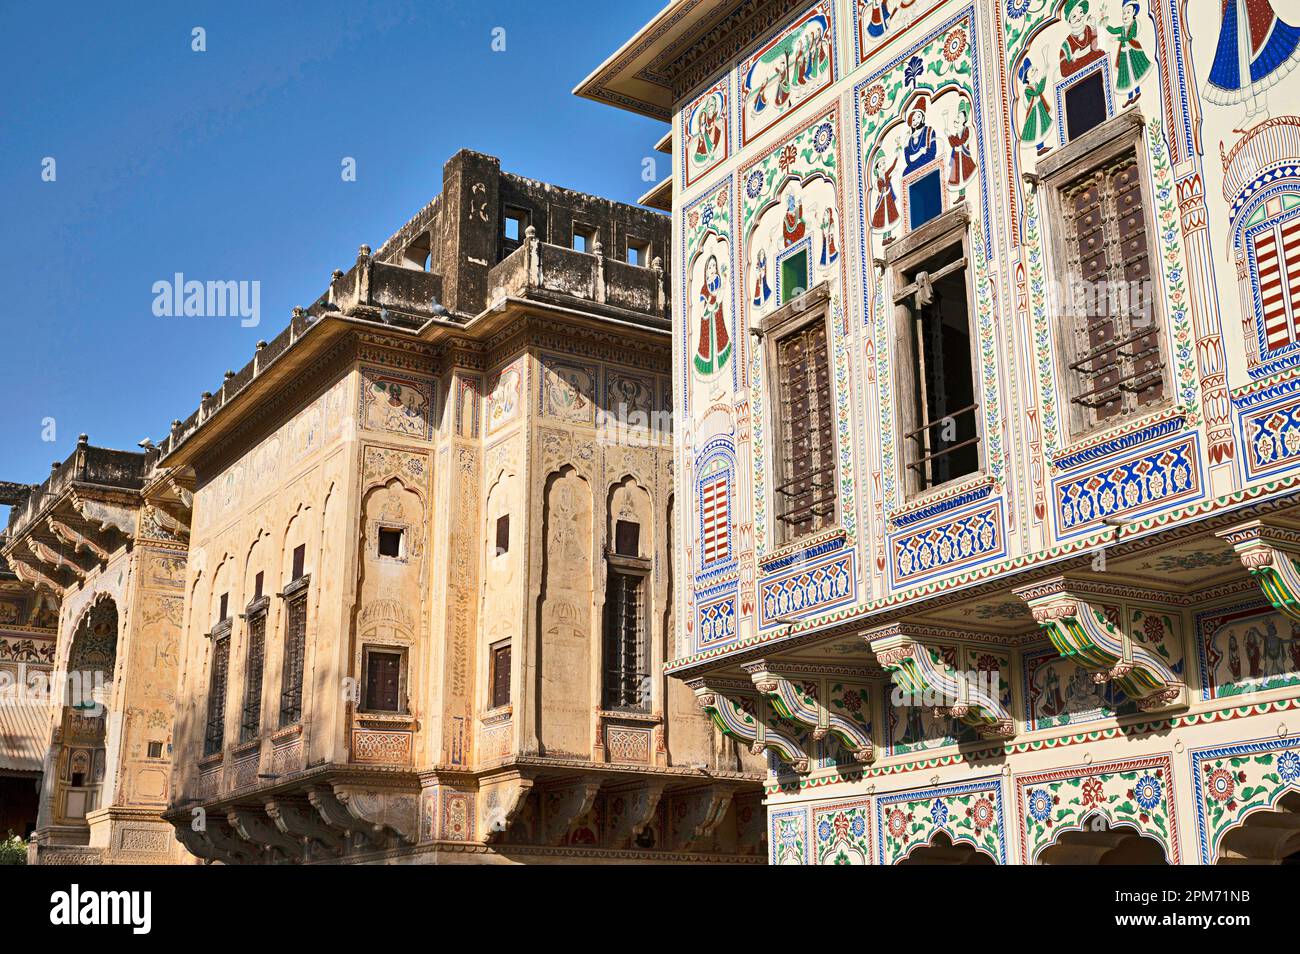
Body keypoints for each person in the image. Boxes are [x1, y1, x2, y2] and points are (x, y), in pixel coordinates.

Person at [1205, 0, 1300, 129]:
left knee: (1258, 52)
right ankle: (1252, 110)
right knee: (1239, 57)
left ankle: (1260, 108)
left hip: (1251, 7)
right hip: (1235, 7)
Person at [1107, 1, 1152, 106]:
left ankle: (1138, 92)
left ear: (1134, 13)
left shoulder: (1133, 24)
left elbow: (1129, 37)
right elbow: (1113, 30)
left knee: (1134, 73)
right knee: (1127, 75)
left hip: (1133, 52)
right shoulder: (1123, 28)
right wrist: (1105, 24)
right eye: (1124, 12)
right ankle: (1130, 97)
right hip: (1124, 54)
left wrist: (1117, 38)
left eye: (1128, 12)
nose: (1125, 15)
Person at [694, 255, 731, 377]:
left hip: (717, 319)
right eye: (710, 266)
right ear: (706, 270)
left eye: (714, 265)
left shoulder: (718, 280)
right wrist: (708, 305)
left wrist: (725, 281)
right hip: (708, 324)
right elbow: (701, 311)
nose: (712, 269)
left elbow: (719, 299)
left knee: (719, 345)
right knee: (709, 350)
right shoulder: (704, 288)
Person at [1059, 0, 1106, 78]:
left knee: (1101, 53)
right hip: (1076, 65)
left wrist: (1094, 27)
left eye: (1080, 12)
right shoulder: (1066, 43)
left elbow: (1095, 47)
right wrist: (1074, 58)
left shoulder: (1087, 28)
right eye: (1074, 16)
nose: (1078, 17)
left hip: (1090, 58)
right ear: (1069, 22)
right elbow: (1064, 71)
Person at [1019, 57, 1054, 155]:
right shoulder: (1028, 89)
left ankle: (1041, 147)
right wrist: (1044, 74)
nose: (1034, 71)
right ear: (1027, 77)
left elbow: (1040, 89)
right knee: (1037, 129)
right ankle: (1040, 149)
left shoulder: (1035, 84)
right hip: (1034, 112)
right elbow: (1039, 91)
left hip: (1039, 108)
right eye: (1032, 71)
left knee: (1041, 127)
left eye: (1034, 70)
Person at [902, 95, 937, 174]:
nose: (916, 121)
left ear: (923, 118)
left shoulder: (929, 131)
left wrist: (923, 154)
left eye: (918, 117)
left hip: (927, 161)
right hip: (914, 165)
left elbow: (933, 152)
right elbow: (908, 160)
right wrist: (905, 144)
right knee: (905, 173)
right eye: (913, 119)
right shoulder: (910, 139)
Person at [947, 100, 977, 192]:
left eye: (959, 116)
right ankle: (961, 195)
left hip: (964, 156)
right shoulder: (958, 131)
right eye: (958, 116)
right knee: (958, 178)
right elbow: (953, 144)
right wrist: (949, 136)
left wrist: (950, 136)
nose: (958, 118)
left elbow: (961, 142)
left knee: (964, 176)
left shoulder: (967, 129)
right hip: (957, 157)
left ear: (965, 119)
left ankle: (962, 195)